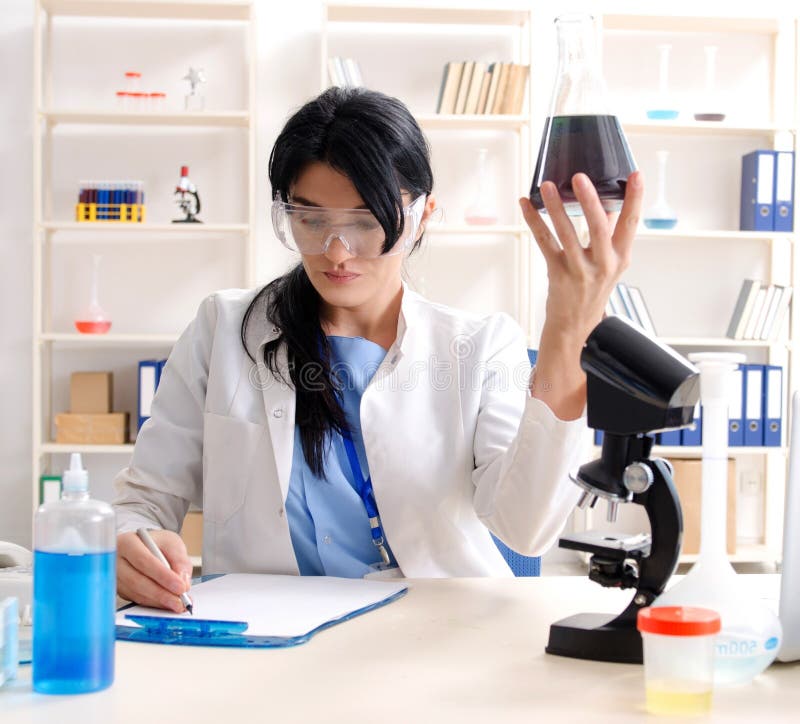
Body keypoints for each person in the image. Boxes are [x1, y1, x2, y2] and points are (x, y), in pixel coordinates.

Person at [113, 86, 642, 612]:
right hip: (268, 635)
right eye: (311, 219)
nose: (336, 251)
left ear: (422, 217)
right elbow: (141, 501)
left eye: (366, 223)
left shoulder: (478, 346)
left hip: (437, 633)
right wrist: (129, 545)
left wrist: (567, 332)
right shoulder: (223, 330)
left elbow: (528, 529)